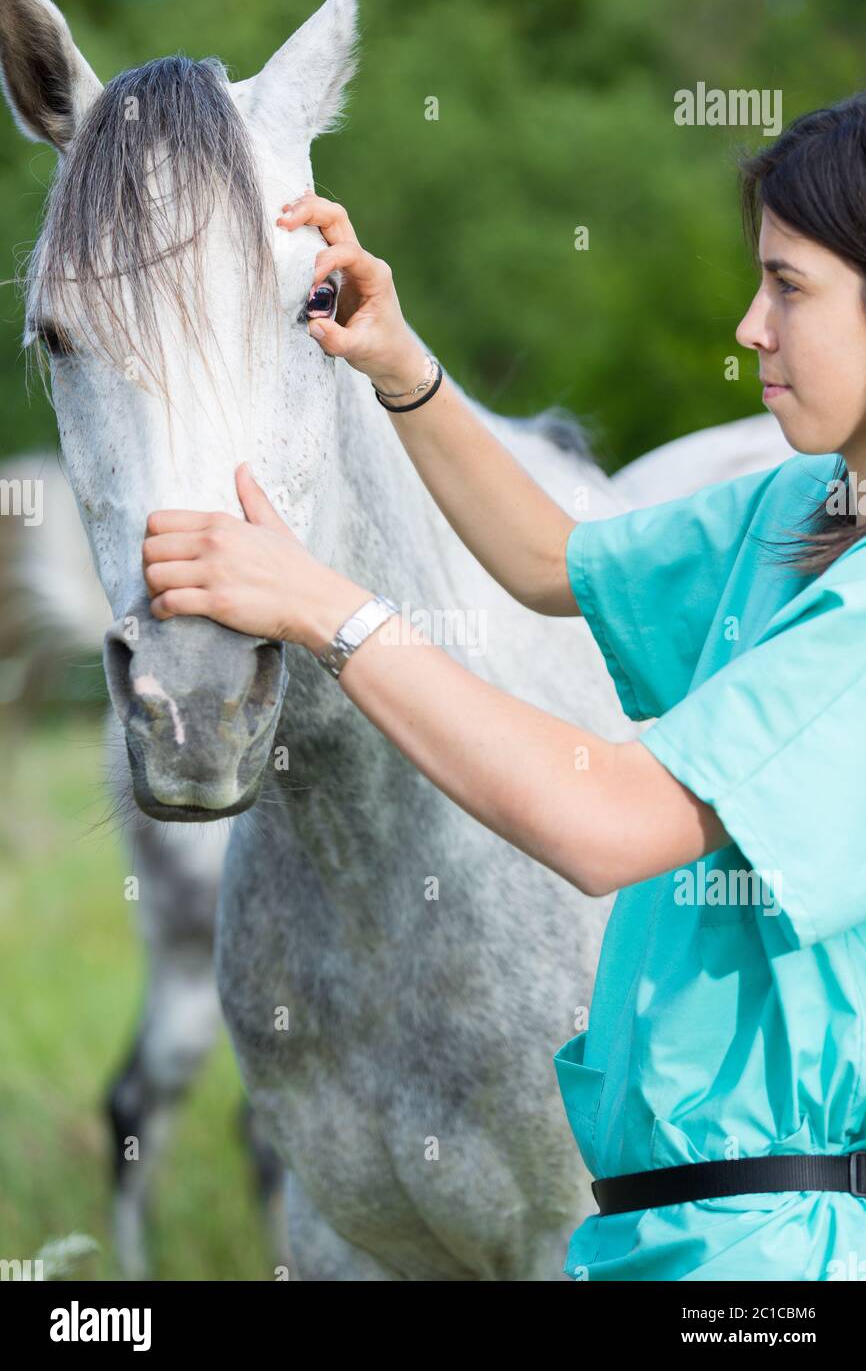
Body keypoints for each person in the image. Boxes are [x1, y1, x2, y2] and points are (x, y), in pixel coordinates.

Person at [141, 93, 866, 1281]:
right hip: (661, 1232)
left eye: (787, 287)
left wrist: (324, 607)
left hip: (767, 1257)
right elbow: (545, 561)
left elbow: (605, 822)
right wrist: (400, 366)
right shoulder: (804, 510)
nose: (748, 326)